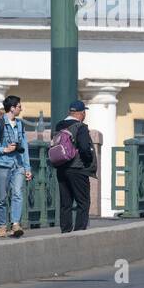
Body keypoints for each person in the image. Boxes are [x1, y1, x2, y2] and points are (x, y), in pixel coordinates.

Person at [0, 94, 32, 238]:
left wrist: (27, 168)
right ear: (12, 108)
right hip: (2, 164)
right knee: (2, 197)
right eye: (19, 107)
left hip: (18, 164)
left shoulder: (20, 124)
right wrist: (4, 149)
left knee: (17, 193)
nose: (21, 109)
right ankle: (2, 225)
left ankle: (15, 224)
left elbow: (25, 147)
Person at [52, 100, 96, 233]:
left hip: (61, 167)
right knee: (83, 202)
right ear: (81, 113)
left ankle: (65, 231)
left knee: (66, 203)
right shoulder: (80, 127)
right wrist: (88, 160)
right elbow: (84, 147)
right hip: (78, 168)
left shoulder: (59, 125)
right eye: (84, 113)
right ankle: (79, 231)